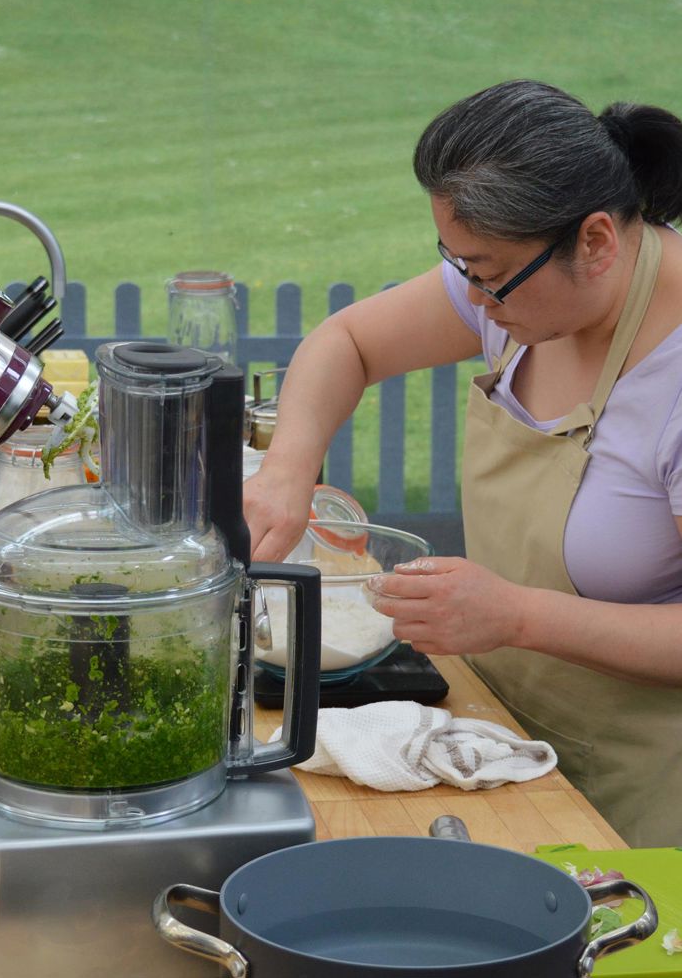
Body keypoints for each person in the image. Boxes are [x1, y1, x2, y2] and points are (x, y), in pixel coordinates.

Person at [243, 79, 682, 847]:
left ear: (595, 242)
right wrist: (286, 472)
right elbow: (347, 342)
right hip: (500, 739)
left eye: (487, 275)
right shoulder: (521, 286)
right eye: (458, 266)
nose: (474, 301)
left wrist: (516, 616)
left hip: (647, 802)